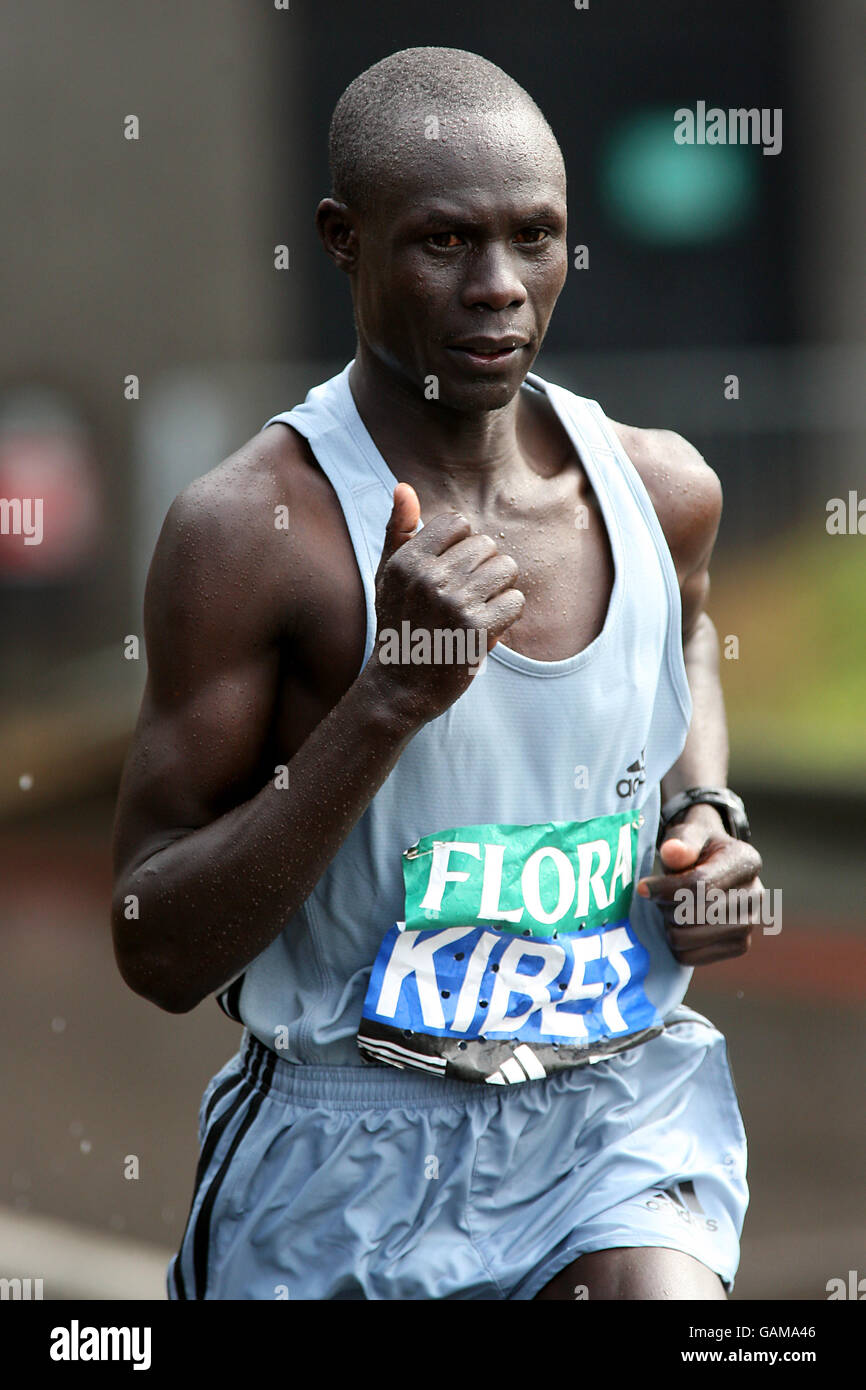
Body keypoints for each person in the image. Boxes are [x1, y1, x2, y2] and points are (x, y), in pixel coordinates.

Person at [111, 47, 764, 1301]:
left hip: (610, 1111)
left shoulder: (661, 491)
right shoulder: (252, 535)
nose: (501, 289)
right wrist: (389, 698)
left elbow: (681, 637)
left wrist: (705, 817)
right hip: (339, 1150)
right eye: (445, 244)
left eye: (536, 238)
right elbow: (156, 946)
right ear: (343, 241)